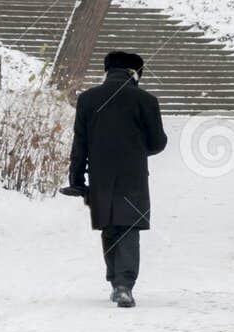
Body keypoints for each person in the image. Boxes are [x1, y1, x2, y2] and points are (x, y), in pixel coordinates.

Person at [65, 50, 167, 308]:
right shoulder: (146, 100)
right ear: (135, 74)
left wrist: (77, 179)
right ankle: (124, 285)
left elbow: (80, 143)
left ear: (107, 71)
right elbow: (158, 142)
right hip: (133, 174)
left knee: (109, 225)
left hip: (100, 174)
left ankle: (115, 281)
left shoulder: (88, 99)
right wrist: (136, 148)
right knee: (129, 227)